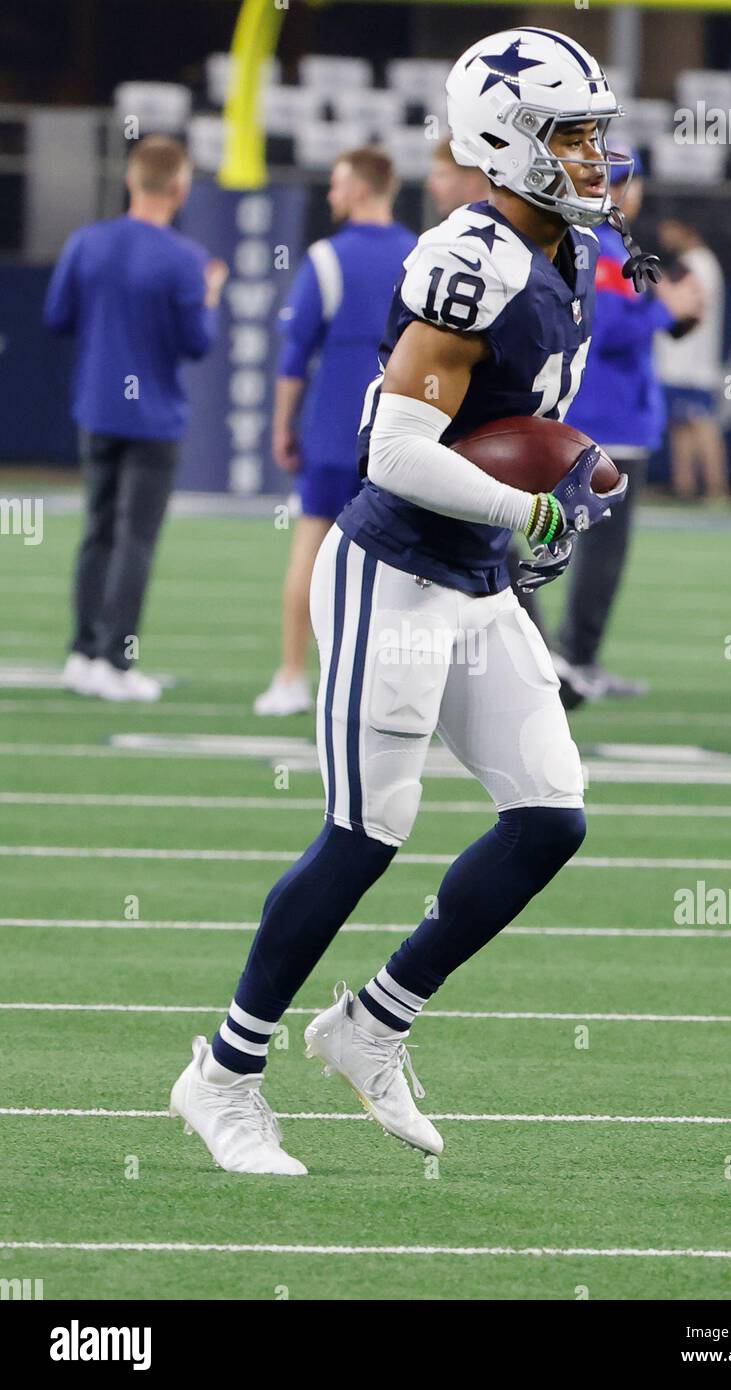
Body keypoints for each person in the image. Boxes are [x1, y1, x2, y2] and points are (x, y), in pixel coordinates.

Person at [169, 26, 653, 1176]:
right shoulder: (471, 256)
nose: (593, 156)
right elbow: (392, 448)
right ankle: (224, 1075)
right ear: (502, 140)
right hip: (393, 576)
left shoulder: (563, 251)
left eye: (594, 132)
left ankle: (371, 1021)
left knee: (548, 817)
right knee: (362, 835)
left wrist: (565, 465)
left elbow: (509, 420)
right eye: (568, 134)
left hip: (476, 587)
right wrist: (528, 509)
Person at [44, 135, 227, 702]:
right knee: (136, 540)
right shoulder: (186, 259)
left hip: (96, 408)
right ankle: (118, 661)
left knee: (97, 531)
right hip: (154, 416)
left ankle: (82, 651)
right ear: (179, 187)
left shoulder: (86, 241)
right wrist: (211, 298)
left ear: (130, 179)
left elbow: (56, 317)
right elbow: (197, 344)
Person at [254, 148, 416, 716]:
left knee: (312, 550)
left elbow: (296, 354)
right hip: (402, 430)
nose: (330, 195)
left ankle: (294, 675)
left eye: (338, 183)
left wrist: (282, 425)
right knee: (402, 566)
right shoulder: (421, 254)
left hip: (332, 428)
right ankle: (389, 689)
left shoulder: (326, 258)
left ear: (364, 188)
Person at [555, 156, 702, 706]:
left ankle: (570, 659)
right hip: (606, 419)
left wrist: (669, 310)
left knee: (578, 541)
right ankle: (571, 659)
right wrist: (668, 309)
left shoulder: (601, 243)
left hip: (606, 415)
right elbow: (609, 329)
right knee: (596, 547)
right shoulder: (597, 245)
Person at [425, 136, 551, 640]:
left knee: (489, 538)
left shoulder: (513, 254)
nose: (432, 184)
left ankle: (533, 645)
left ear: (473, 176)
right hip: (439, 426)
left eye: (441, 173)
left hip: (480, 428)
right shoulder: (449, 243)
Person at [655, 218, 728, 502]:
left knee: (701, 422)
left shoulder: (697, 264)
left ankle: (716, 488)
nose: (665, 235)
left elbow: (683, 307)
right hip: (682, 359)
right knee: (681, 424)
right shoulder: (697, 262)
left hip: (690, 359)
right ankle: (683, 486)